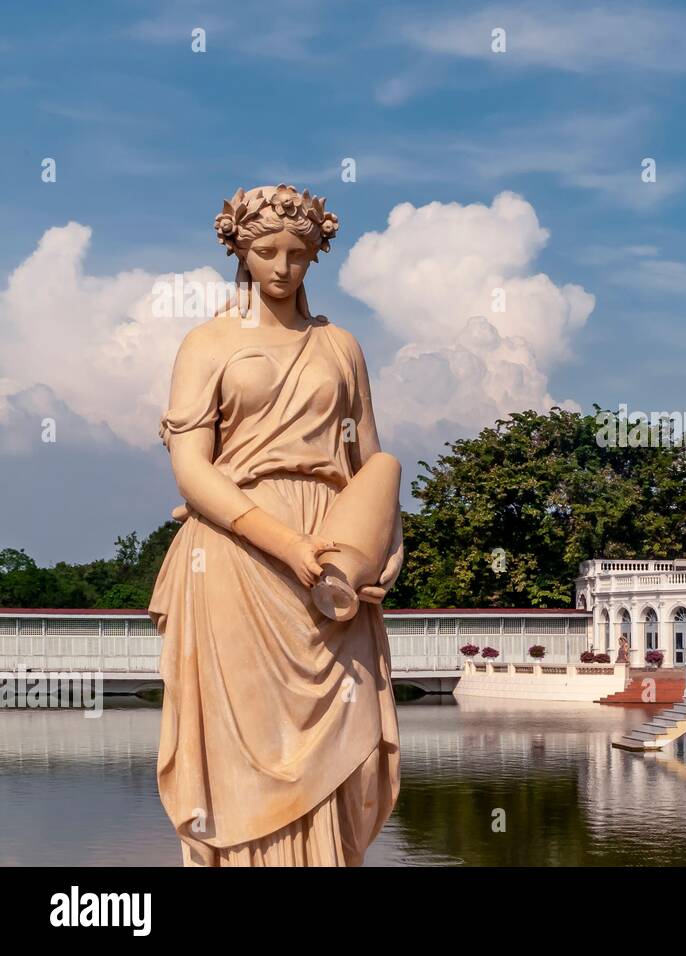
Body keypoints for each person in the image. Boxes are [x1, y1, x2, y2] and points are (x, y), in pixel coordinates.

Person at [150, 185, 402, 866]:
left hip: (333, 564)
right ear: (238, 249)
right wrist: (286, 543)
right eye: (266, 252)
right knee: (244, 754)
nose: (282, 267)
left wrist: (385, 555)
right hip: (238, 556)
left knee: (338, 761)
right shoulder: (207, 344)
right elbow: (192, 470)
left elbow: (371, 462)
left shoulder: (341, 347)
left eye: (298, 253)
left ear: (317, 253)